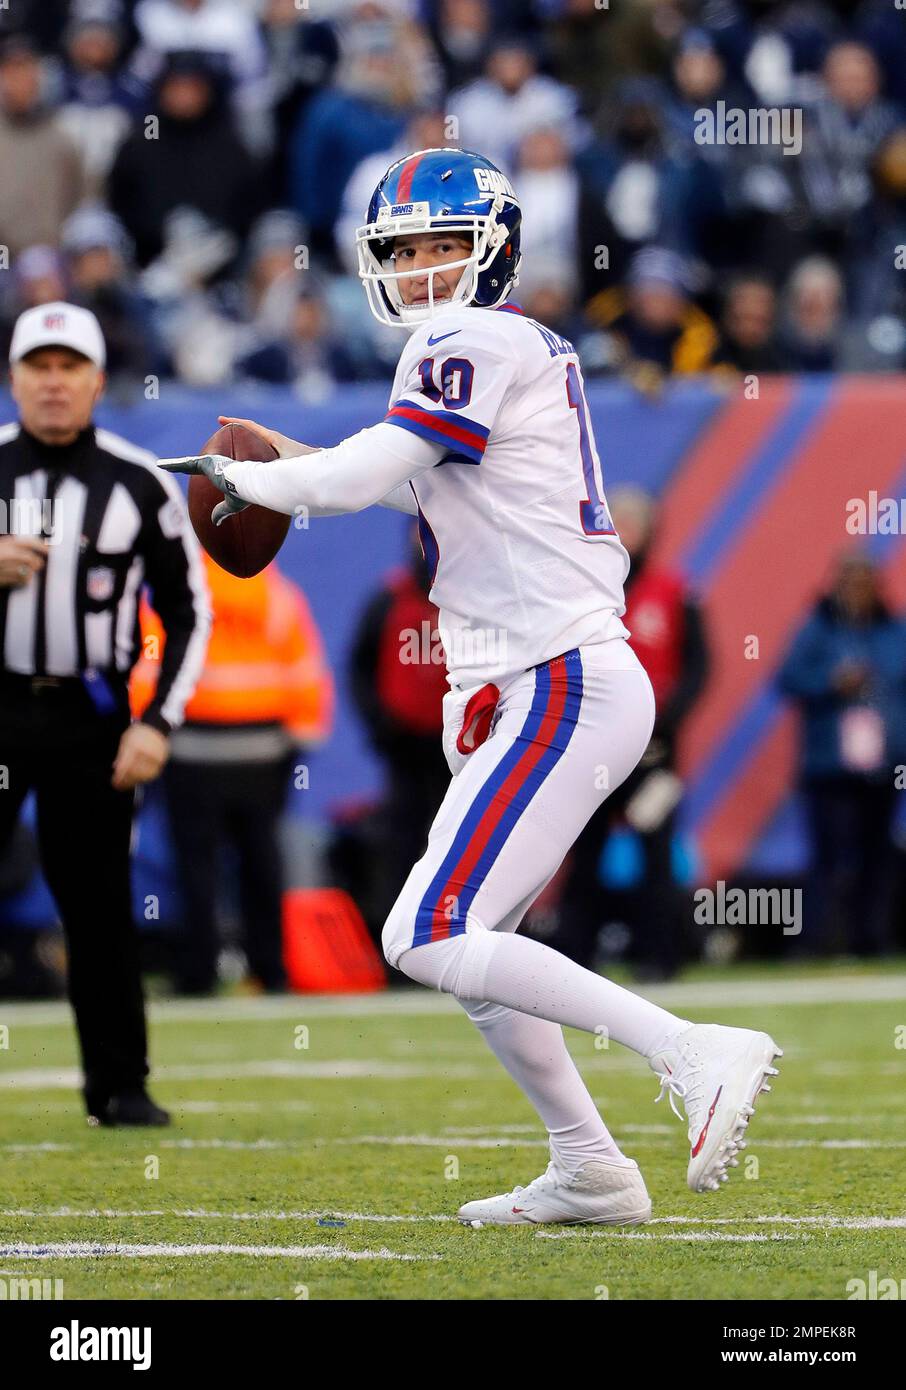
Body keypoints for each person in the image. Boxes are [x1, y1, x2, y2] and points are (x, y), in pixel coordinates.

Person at [161, 147, 781, 1225]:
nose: (425, 266)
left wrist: (247, 476)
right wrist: (266, 463)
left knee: (425, 930)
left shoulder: (471, 336)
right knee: (473, 949)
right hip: (526, 680)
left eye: (445, 244)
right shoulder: (490, 353)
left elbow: (356, 479)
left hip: (558, 676)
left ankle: (690, 1045)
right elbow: (399, 474)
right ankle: (590, 1164)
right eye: (405, 249)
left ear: (492, 252)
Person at [0, 300, 210, 1124]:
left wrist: (156, 722)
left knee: (99, 906)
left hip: (92, 716)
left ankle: (120, 1086)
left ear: (95, 380)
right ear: (15, 380)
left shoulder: (137, 482)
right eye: (38, 369)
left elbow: (190, 609)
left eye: (69, 369)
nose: (54, 385)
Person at [131, 553, 333, 994]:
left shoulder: (177, 589)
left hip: (190, 751)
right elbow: (305, 670)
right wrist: (301, 739)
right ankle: (270, 972)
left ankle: (199, 973)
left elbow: (149, 669)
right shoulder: (276, 593)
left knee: (195, 867)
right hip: (262, 753)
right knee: (262, 864)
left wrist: (147, 731)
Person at [778, 554, 906, 957]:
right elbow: (788, 679)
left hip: (883, 762)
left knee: (877, 852)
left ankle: (872, 938)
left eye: (863, 584)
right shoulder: (817, 629)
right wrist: (831, 682)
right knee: (828, 855)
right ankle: (819, 940)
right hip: (829, 762)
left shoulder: (893, 631)